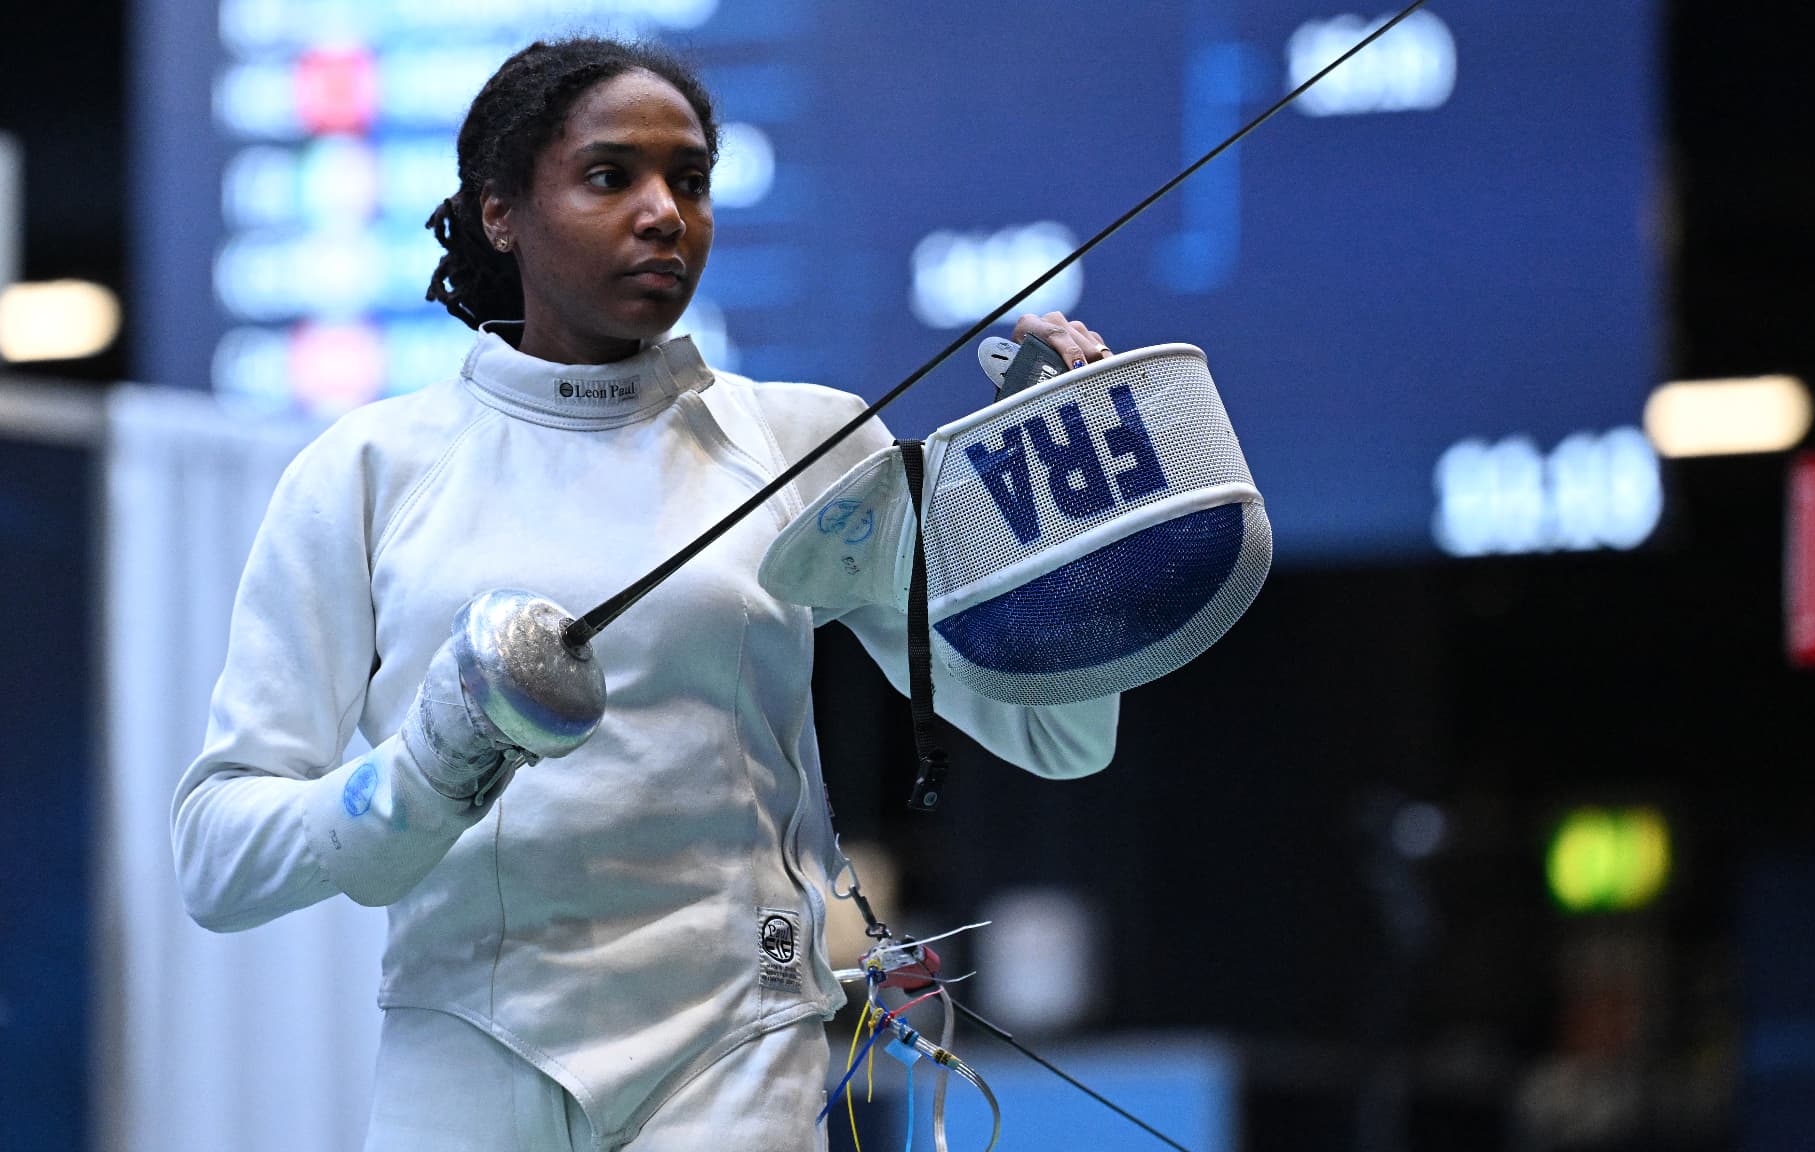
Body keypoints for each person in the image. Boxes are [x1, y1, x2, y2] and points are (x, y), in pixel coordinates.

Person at [171, 36, 1119, 1152]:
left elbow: (1058, 736)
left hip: (738, 1048)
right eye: (611, 176)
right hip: (468, 1052)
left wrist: (1062, 512)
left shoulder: (806, 442)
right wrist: (424, 771)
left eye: (691, 180)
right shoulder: (370, 470)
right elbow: (217, 857)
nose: (665, 212)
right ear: (500, 215)